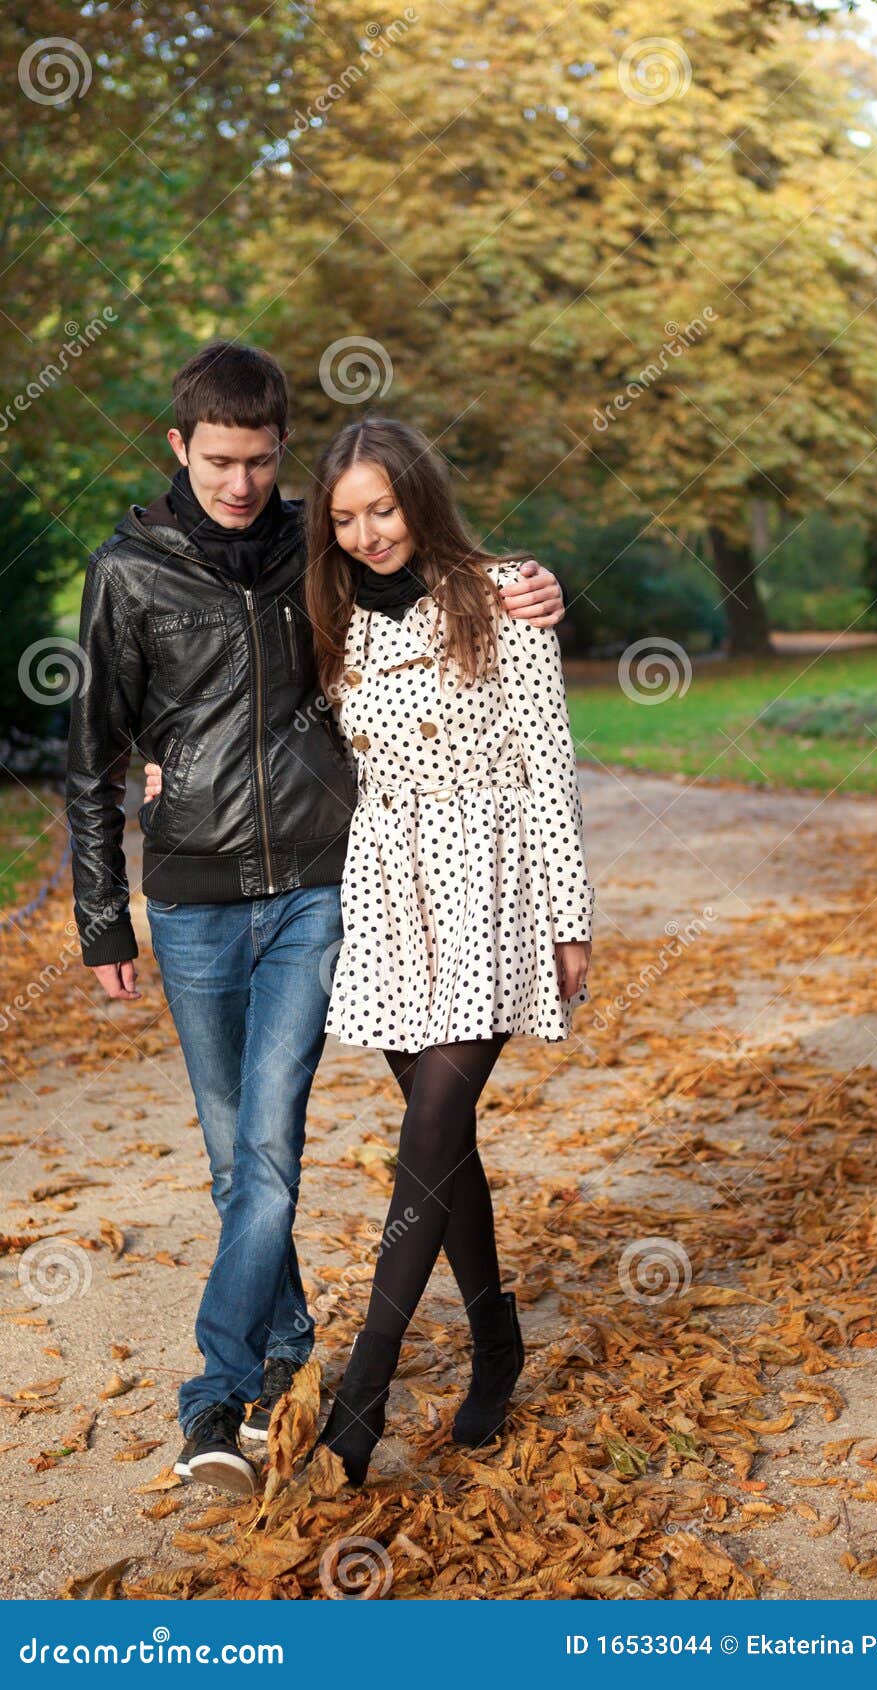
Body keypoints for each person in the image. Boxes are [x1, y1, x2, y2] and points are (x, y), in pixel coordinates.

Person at [66, 341, 564, 1497]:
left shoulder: (318, 544)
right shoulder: (126, 573)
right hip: (189, 899)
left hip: (318, 886)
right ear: (179, 446)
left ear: (283, 454)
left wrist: (527, 581)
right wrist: (102, 920)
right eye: (220, 459)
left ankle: (226, 1397)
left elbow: (424, 565)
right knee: (245, 1159)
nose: (241, 482)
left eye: (261, 461)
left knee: (277, 1158)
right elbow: (91, 753)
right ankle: (305, 1356)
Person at [301, 415, 593, 1486]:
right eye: (346, 517)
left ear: (419, 496)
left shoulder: (502, 592)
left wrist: (570, 919)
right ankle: (496, 1334)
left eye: (383, 507)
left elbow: (551, 762)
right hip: (388, 886)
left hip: (492, 875)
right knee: (444, 1135)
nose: (369, 532)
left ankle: (364, 1392)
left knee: (434, 1116)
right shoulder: (328, 609)